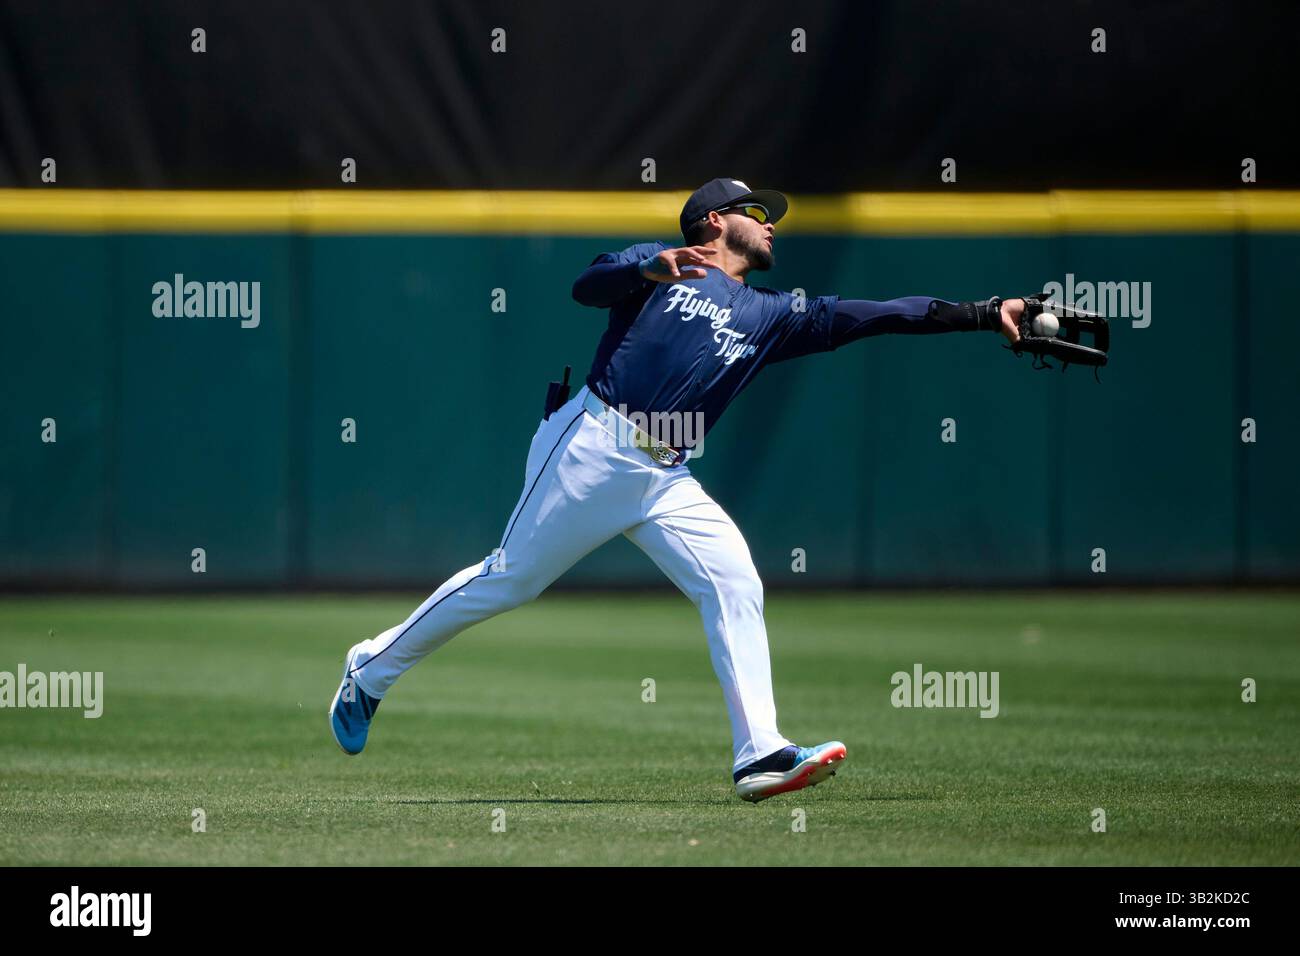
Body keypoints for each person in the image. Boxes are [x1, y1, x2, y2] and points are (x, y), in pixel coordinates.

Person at [329, 177, 1025, 802]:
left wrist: (980, 311)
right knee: (509, 580)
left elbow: (874, 315)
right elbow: (586, 284)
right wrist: (648, 267)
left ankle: (759, 755)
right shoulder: (662, 266)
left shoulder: (774, 313)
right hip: (594, 446)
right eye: (758, 211)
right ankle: (369, 670)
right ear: (715, 221)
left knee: (733, 581)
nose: (772, 222)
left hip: (666, 475)